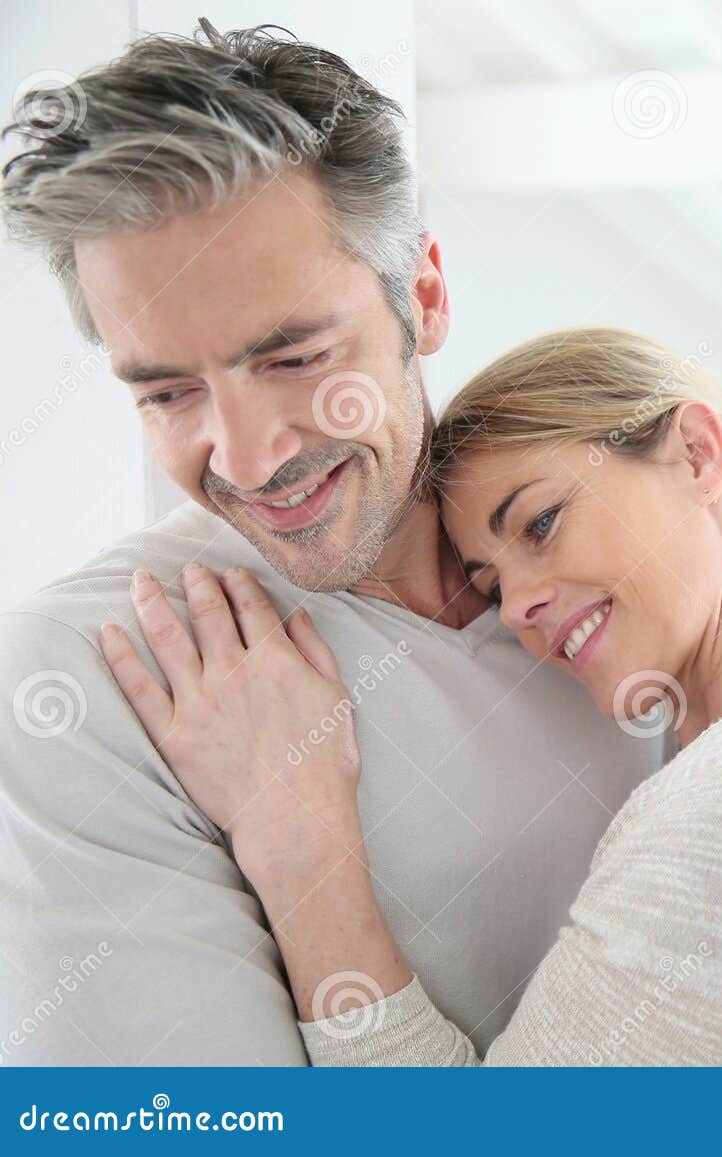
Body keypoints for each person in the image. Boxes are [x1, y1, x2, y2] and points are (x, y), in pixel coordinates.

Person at [0, 24, 659, 1064]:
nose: (247, 458)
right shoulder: (90, 673)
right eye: (168, 392)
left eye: (296, 358)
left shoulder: (606, 552)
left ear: (423, 298)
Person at [100, 327, 722, 1064]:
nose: (520, 606)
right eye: (490, 585)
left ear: (696, 453)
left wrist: (299, 843)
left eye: (540, 522)